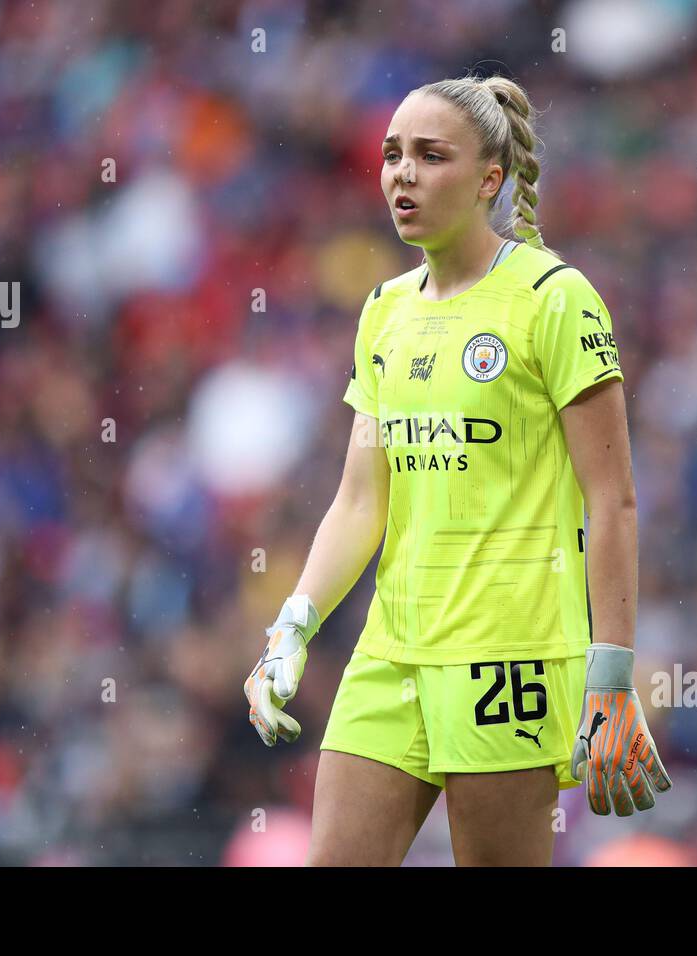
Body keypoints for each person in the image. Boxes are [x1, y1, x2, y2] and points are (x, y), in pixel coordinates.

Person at [244, 72, 671, 866]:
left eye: (430, 156)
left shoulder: (555, 298)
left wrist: (611, 676)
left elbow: (612, 501)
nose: (403, 174)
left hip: (507, 658)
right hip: (391, 651)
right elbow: (359, 501)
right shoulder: (384, 310)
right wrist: (292, 626)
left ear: (490, 180)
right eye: (392, 155)